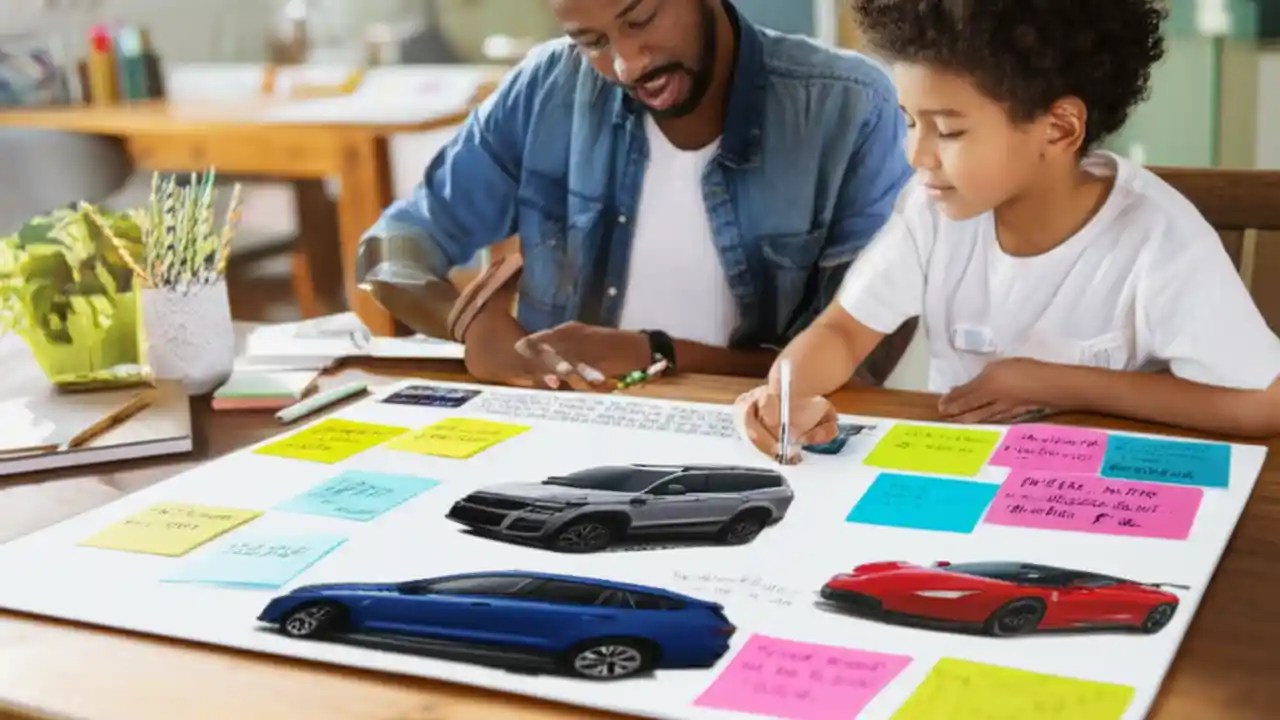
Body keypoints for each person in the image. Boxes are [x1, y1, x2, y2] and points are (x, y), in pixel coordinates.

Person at [738, 0, 1280, 460]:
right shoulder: (931, 212)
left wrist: (1057, 385)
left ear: (1059, 128)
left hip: (1108, 493)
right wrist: (784, 393)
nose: (916, 154)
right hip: (968, 482)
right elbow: (842, 332)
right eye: (910, 121)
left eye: (948, 130)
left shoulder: (1158, 239)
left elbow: (1266, 403)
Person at [354, 0, 914, 391]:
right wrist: (468, 321)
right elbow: (390, 247)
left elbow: (861, 357)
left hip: (762, 436)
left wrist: (655, 354)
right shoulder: (546, 88)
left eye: (640, 19)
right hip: (566, 429)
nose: (627, 64)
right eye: (591, 41)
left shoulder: (850, 107)